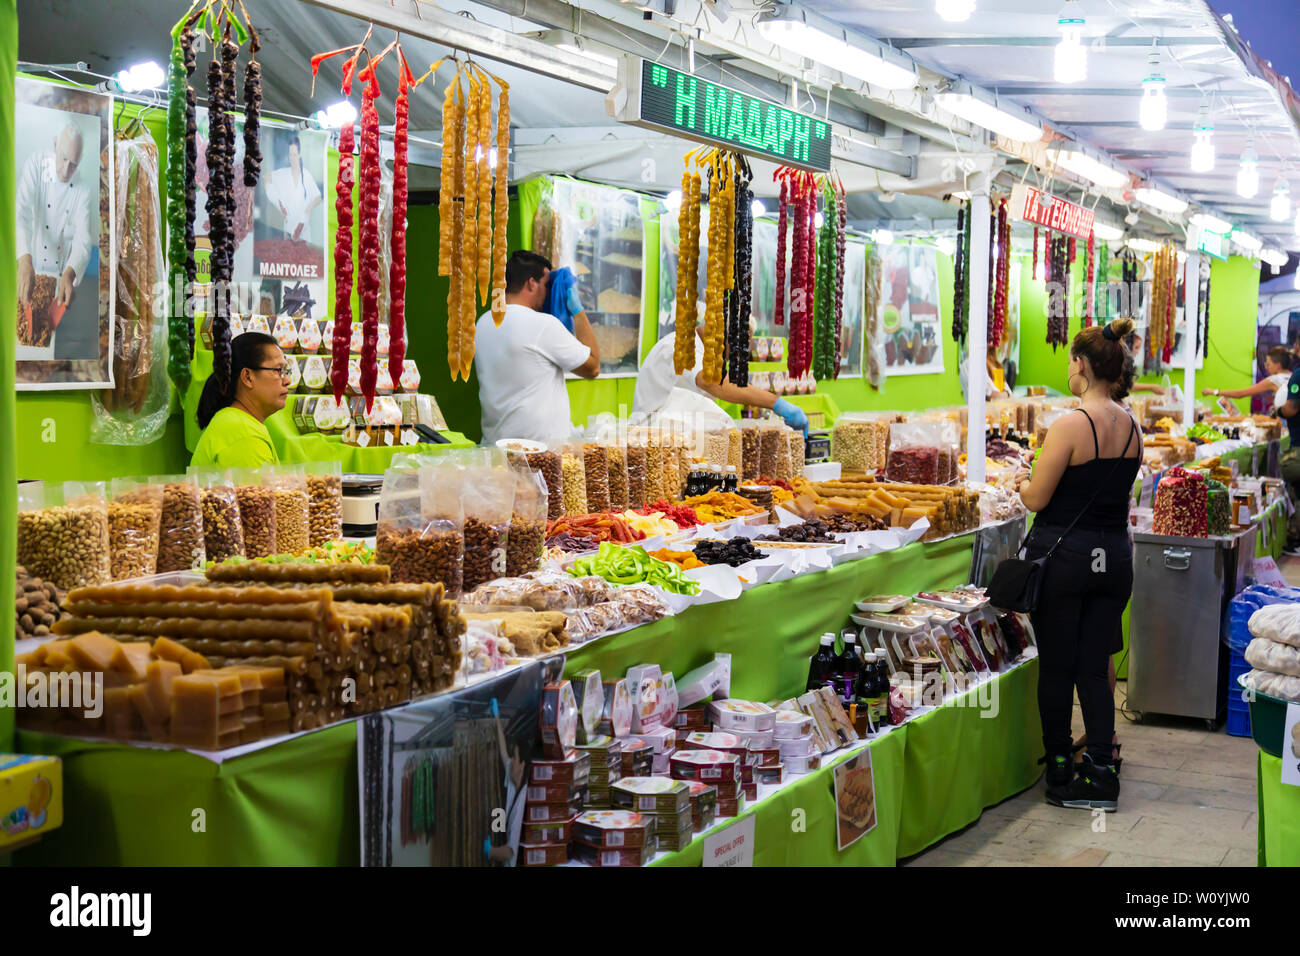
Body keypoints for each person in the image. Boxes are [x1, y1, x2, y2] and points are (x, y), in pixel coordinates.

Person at [1015, 317, 1142, 813]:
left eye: (1071, 360)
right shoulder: (1132, 426)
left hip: (1067, 561)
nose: (1069, 369)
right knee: (1094, 668)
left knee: (1058, 668)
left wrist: (1022, 485)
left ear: (1083, 366)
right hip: (1114, 559)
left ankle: (1062, 769)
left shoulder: (1071, 423)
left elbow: (1037, 497)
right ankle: (1103, 775)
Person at [475, 250, 600, 444]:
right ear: (531, 283)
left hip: (495, 448)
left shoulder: (482, 323)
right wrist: (578, 310)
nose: (548, 292)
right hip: (539, 454)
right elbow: (593, 367)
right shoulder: (542, 325)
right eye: (546, 285)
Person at [633, 302, 809, 434]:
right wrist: (776, 403)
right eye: (736, 348)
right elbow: (713, 383)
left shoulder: (706, 352)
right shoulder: (682, 344)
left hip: (673, 437)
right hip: (651, 436)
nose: (735, 356)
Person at [16, 122, 92, 316]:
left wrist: (70, 272)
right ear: (55, 145)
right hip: (29, 265)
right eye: (63, 158)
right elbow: (21, 212)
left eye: (73, 164)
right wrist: (24, 260)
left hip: (61, 277)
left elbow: (83, 238)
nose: (66, 170)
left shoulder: (83, 190)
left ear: (80, 160)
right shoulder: (36, 164)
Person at [191, 332, 289, 469]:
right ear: (248, 377)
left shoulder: (238, 423)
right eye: (278, 370)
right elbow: (253, 490)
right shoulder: (245, 437)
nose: (287, 381)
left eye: (286, 370)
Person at [265, 135, 322, 242]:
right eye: (290, 155)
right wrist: (277, 202)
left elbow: (318, 197)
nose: (292, 158)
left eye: (295, 155)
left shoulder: (306, 175)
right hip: (288, 232)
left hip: (304, 234)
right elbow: (267, 176)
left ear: (299, 155)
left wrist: (310, 206)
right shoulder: (283, 174)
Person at [1202, 346, 1292, 411]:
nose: (1266, 367)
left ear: (1278, 365)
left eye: (1268, 364)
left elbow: (1240, 394)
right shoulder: (1293, 376)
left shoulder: (1274, 380)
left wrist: (1214, 392)